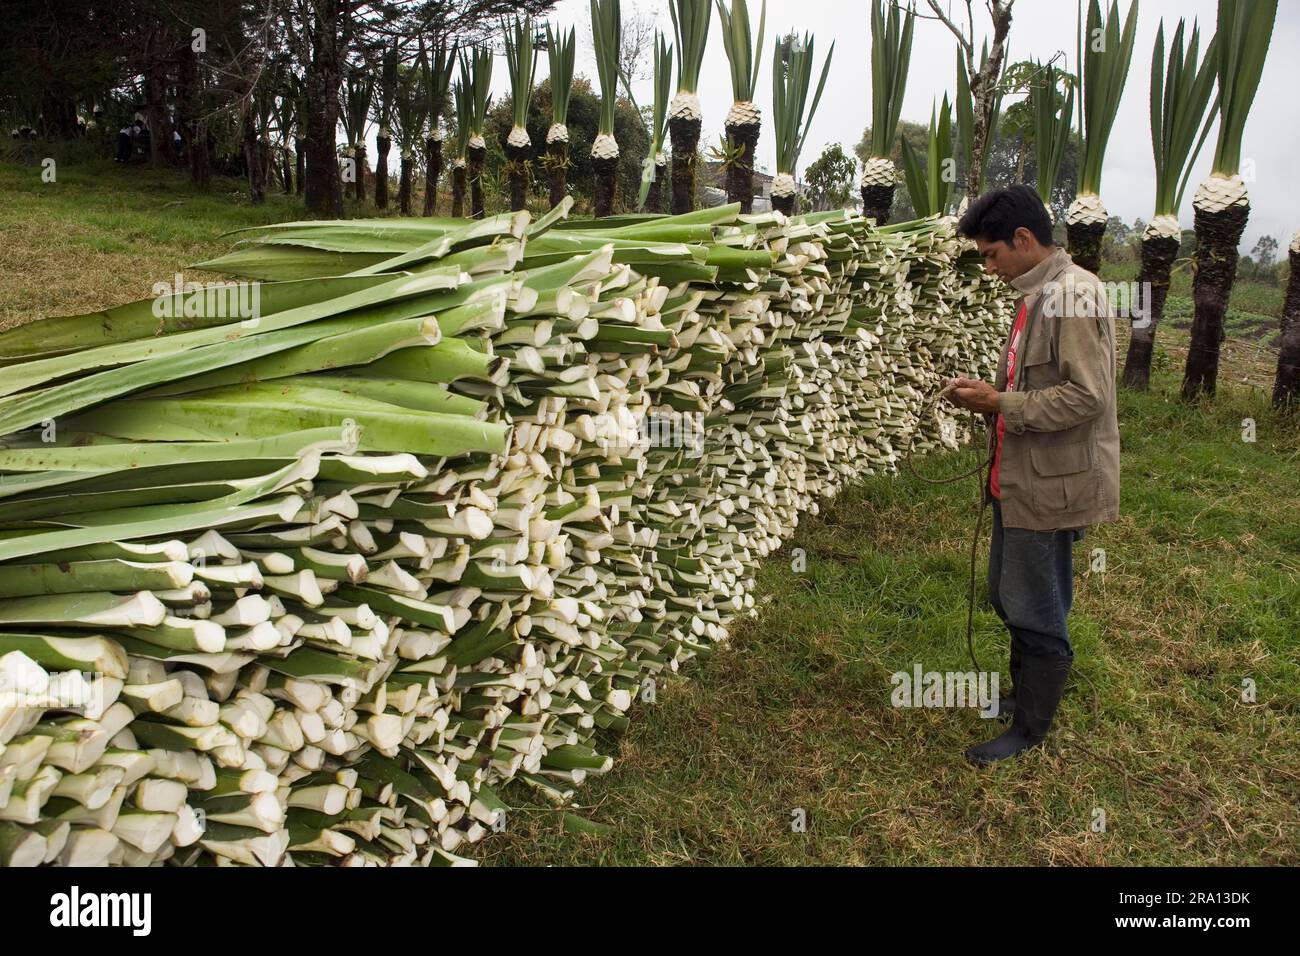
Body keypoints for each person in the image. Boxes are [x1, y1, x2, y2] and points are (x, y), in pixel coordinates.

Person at [945, 184, 1120, 765]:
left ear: (1023, 239)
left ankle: (1030, 729)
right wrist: (994, 396)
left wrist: (1001, 404)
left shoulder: (1075, 296)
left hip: (1050, 484)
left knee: (1035, 603)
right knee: (1007, 592)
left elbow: (1086, 398)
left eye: (992, 254)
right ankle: (1023, 697)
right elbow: (1030, 383)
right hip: (1017, 477)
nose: (989, 267)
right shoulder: (1037, 294)